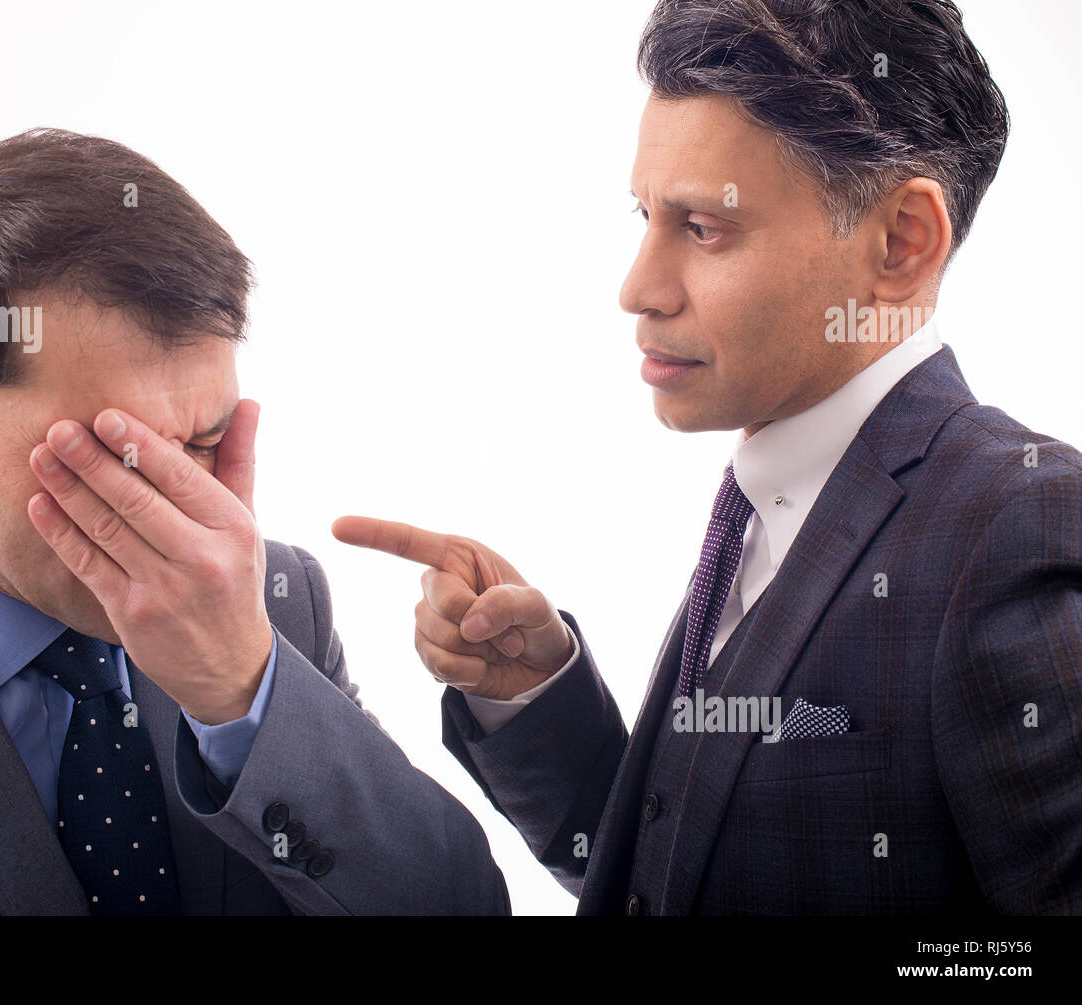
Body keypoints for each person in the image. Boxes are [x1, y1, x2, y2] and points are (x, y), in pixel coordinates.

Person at [333, 0, 1082, 914]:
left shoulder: (1017, 527)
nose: (636, 288)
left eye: (702, 227)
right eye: (646, 214)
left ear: (902, 242)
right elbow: (674, 863)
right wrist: (536, 690)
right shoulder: (776, 498)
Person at [0, 128, 508, 916]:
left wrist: (242, 687)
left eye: (204, 442)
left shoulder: (277, 603)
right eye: (115, 460)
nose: (179, 518)